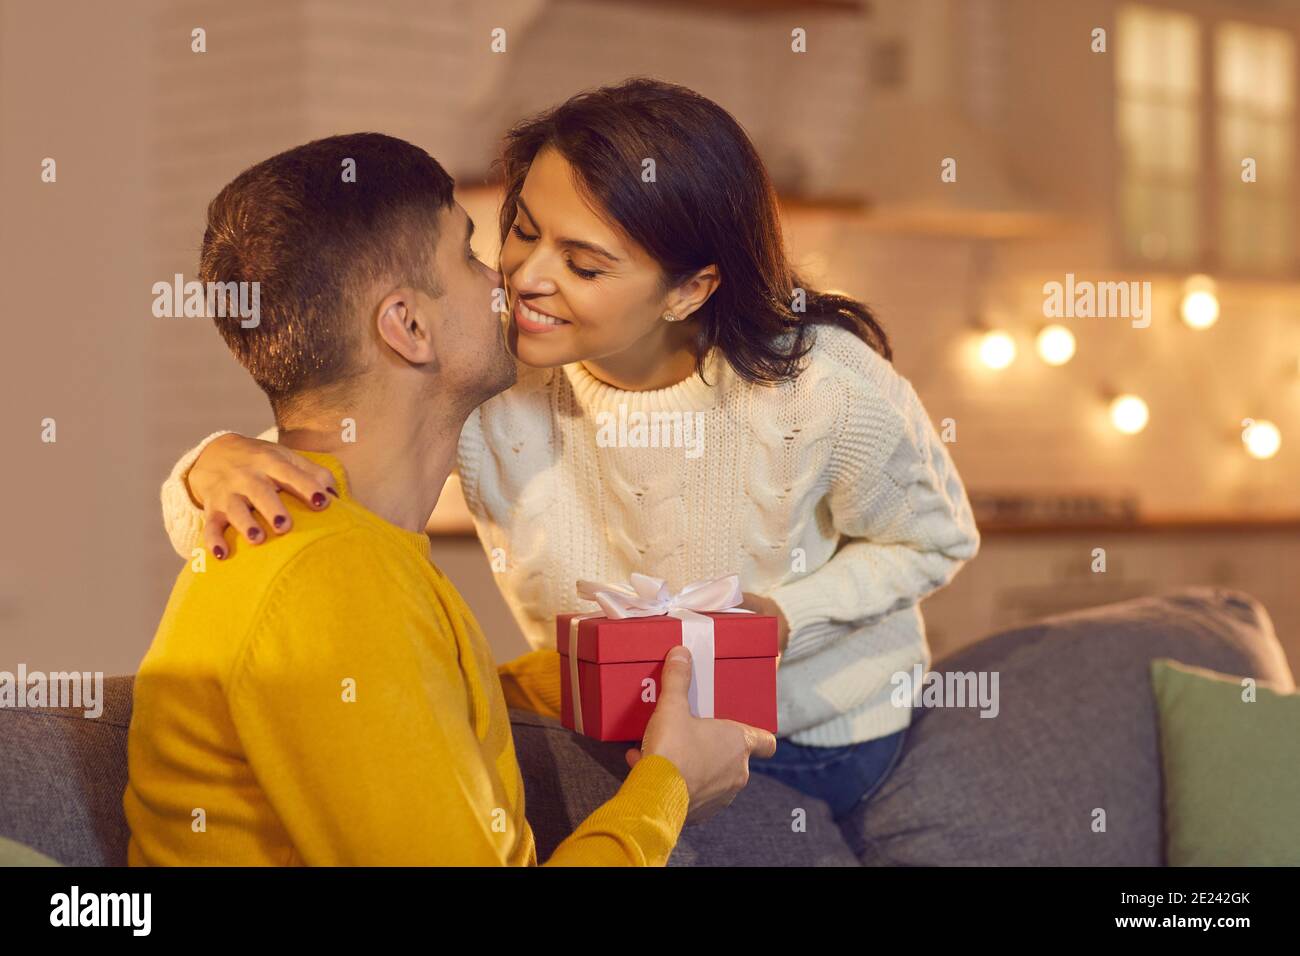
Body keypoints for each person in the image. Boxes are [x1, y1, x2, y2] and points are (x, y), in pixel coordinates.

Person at [157, 79, 980, 836]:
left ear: (690, 289)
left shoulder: (825, 389)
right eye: (518, 232)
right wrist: (207, 469)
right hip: (614, 718)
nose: (525, 280)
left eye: (584, 264)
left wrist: (783, 620)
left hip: (812, 731)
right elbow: (310, 475)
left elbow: (935, 540)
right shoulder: (495, 373)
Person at [124, 132, 775, 867]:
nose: (511, 280)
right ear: (407, 326)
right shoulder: (329, 579)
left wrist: (622, 660)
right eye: (468, 255)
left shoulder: (353, 553)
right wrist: (671, 786)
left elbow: (411, 719)